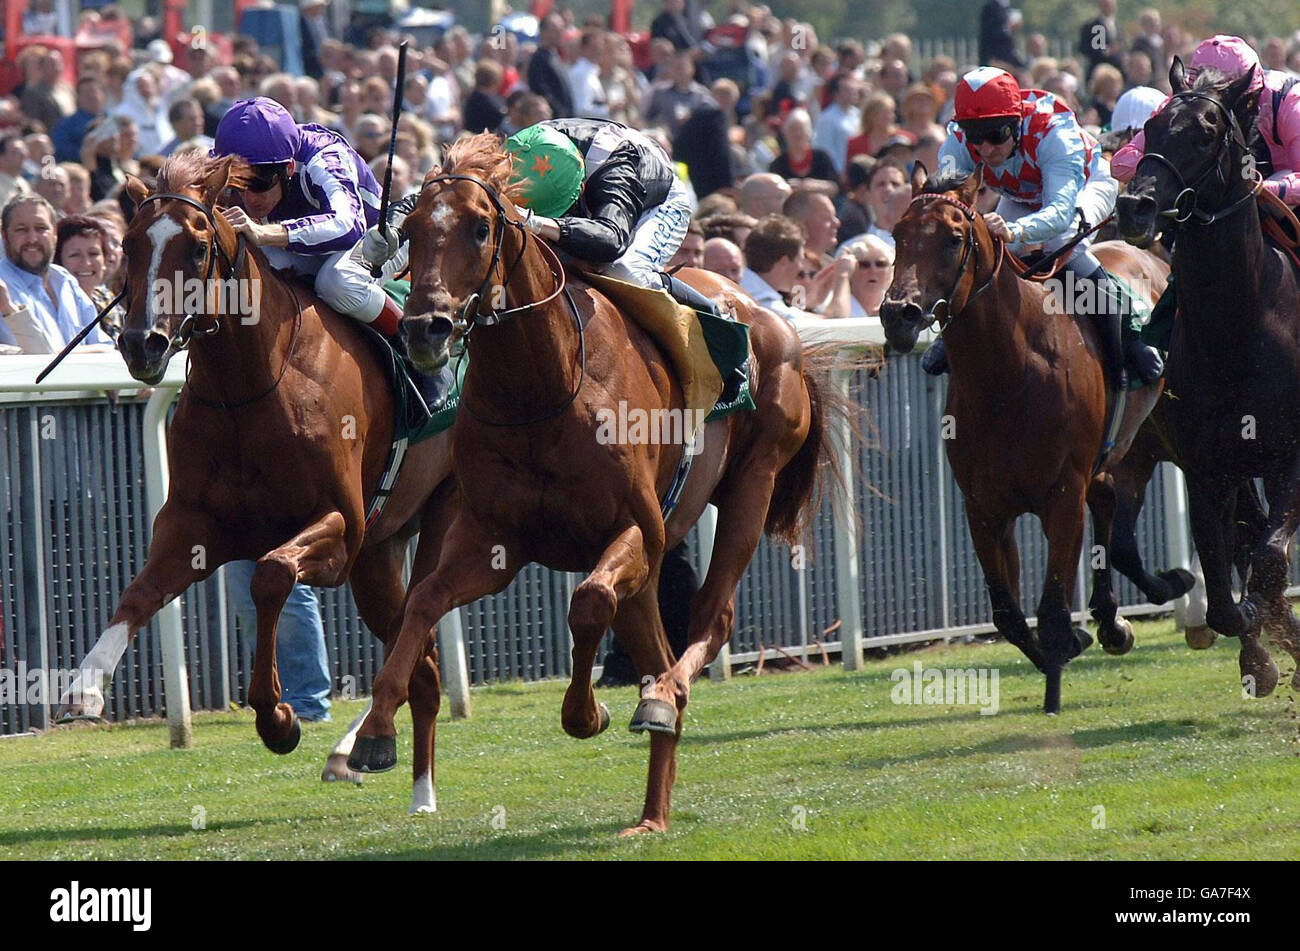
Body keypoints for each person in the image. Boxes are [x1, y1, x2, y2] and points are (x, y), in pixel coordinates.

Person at [923, 66, 1163, 389]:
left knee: (1059, 243)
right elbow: (947, 204)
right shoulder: (958, 142)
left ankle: (1130, 341)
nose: (986, 149)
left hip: (1086, 185)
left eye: (996, 135)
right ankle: (950, 333)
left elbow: (1059, 214)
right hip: (1022, 193)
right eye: (975, 136)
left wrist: (1015, 232)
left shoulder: (1053, 132)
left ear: (1017, 123)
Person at [210, 97, 450, 409]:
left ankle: (418, 350)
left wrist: (265, 232)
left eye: (260, 181)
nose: (249, 196)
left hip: (377, 239)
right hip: (308, 245)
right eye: (237, 182)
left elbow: (346, 225)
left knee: (337, 281)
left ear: (289, 168)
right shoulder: (234, 162)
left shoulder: (325, 157)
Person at [1110, 36, 1300, 334]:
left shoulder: (1288, 99)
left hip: (1284, 197)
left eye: (1232, 103)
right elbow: (1121, 162)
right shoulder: (1189, 103)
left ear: (1247, 95)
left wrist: (1263, 189)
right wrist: (1162, 164)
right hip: (1222, 202)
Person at [224, 561, 332, 722]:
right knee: (249, 605)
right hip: (234, 536)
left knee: (290, 600)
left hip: (278, 537)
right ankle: (279, 701)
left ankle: (308, 706)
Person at [0, 194, 109, 352]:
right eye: (21, 230)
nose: (32, 239)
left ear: (55, 234)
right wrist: (79, 353)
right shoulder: (3, 287)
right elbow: (28, 358)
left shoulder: (64, 280)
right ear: (4, 236)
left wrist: (60, 354)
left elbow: (106, 349)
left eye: (41, 229)